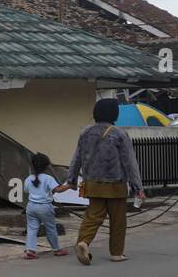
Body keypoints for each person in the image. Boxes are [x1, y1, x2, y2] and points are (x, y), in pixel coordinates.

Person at [56, 99, 145, 265]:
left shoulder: (85, 133)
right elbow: (129, 163)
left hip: (93, 183)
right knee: (118, 220)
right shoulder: (119, 134)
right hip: (116, 184)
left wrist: (71, 181)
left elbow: (76, 159)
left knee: (92, 216)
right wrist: (137, 187)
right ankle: (116, 253)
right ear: (114, 113)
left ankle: (83, 242)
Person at [22, 153, 66, 259]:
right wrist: (69, 186)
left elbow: (26, 191)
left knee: (32, 229)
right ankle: (56, 249)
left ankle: (31, 250)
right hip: (45, 207)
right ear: (47, 166)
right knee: (50, 228)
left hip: (31, 207)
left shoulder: (29, 178)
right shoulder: (48, 178)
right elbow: (58, 190)